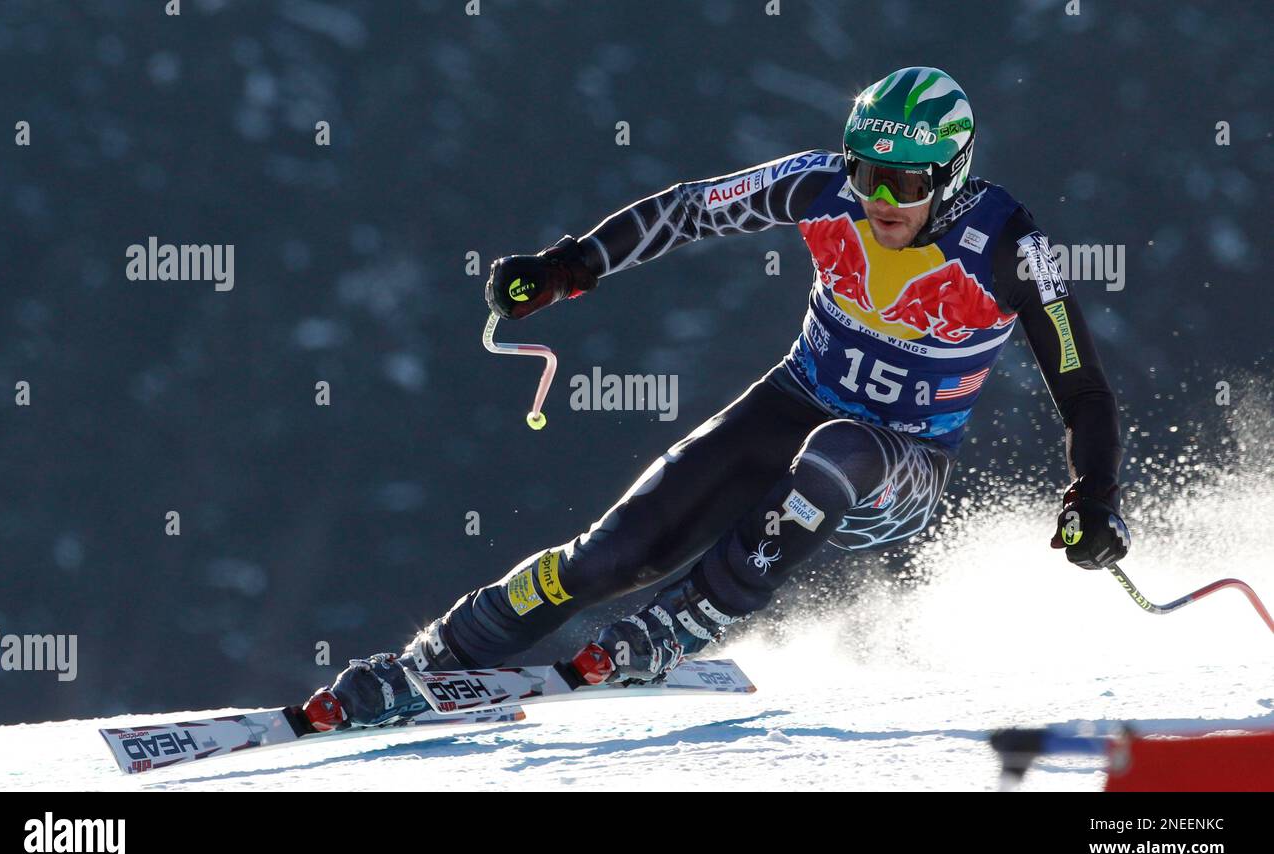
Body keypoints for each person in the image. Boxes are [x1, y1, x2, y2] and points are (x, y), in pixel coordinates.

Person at [303, 66, 1130, 731]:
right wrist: (568, 267)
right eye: (868, 173)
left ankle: (683, 624)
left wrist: (1095, 496)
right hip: (793, 402)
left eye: (903, 184)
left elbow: (1083, 385)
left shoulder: (1007, 246)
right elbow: (692, 209)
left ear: (950, 177)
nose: (880, 201)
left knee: (837, 455)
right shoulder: (822, 189)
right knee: (606, 559)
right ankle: (434, 658)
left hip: (899, 465)